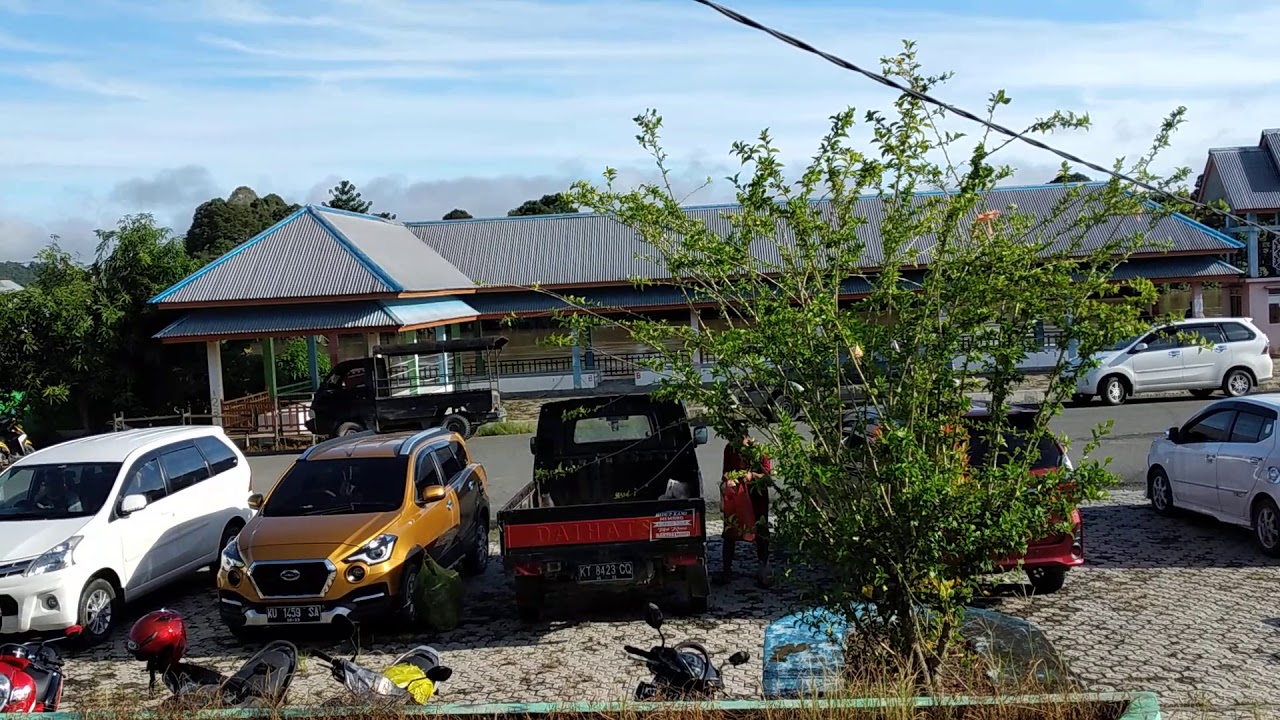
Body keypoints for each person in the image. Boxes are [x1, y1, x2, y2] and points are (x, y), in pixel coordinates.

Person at [718, 430, 774, 587]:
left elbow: (768, 477)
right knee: (730, 530)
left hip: (757, 497)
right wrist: (730, 479)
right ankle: (726, 570)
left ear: (745, 437)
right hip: (737, 497)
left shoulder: (758, 450)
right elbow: (726, 473)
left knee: (761, 531)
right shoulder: (729, 449)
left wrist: (752, 476)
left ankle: (763, 567)